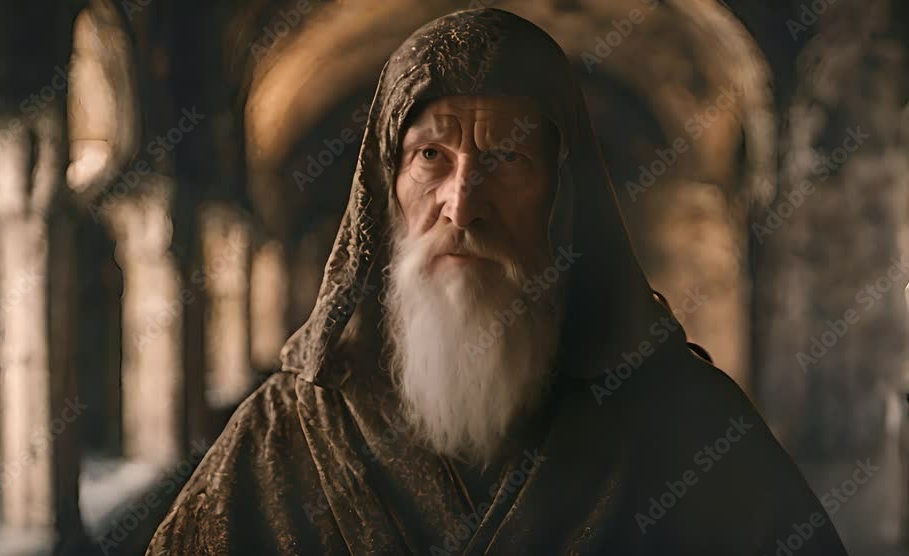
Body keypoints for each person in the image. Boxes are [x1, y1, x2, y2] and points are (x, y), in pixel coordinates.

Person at [148, 8, 849, 555]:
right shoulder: (287, 435)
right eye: (431, 155)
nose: (464, 203)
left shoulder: (685, 426)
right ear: (383, 190)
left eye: (508, 160)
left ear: (563, 194)